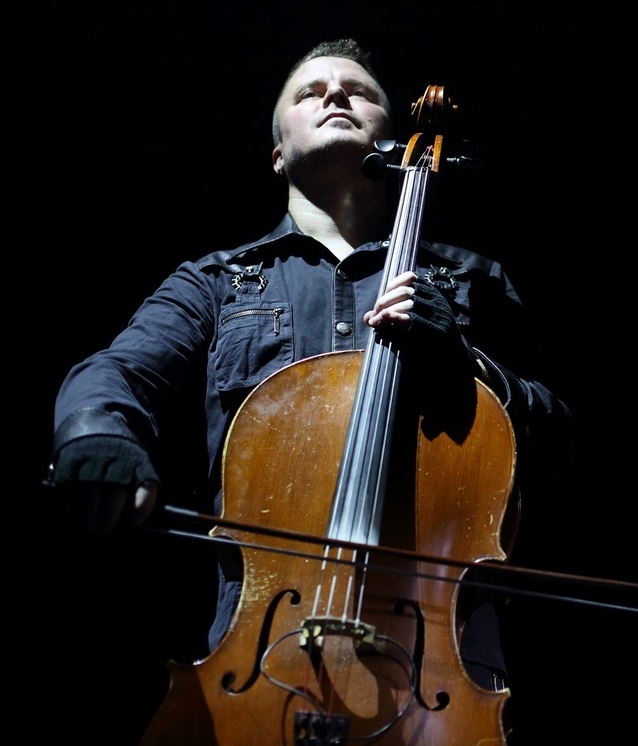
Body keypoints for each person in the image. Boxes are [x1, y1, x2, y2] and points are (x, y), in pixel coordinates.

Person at [46, 38, 573, 739]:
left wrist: (468, 365)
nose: (334, 96)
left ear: (393, 138)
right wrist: (98, 429)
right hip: (263, 650)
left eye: (358, 90)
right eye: (309, 91)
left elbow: (558, 433)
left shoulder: (470, 279)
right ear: (276, 152)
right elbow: (116, 371)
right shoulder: (219, 281)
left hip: (438, 658)